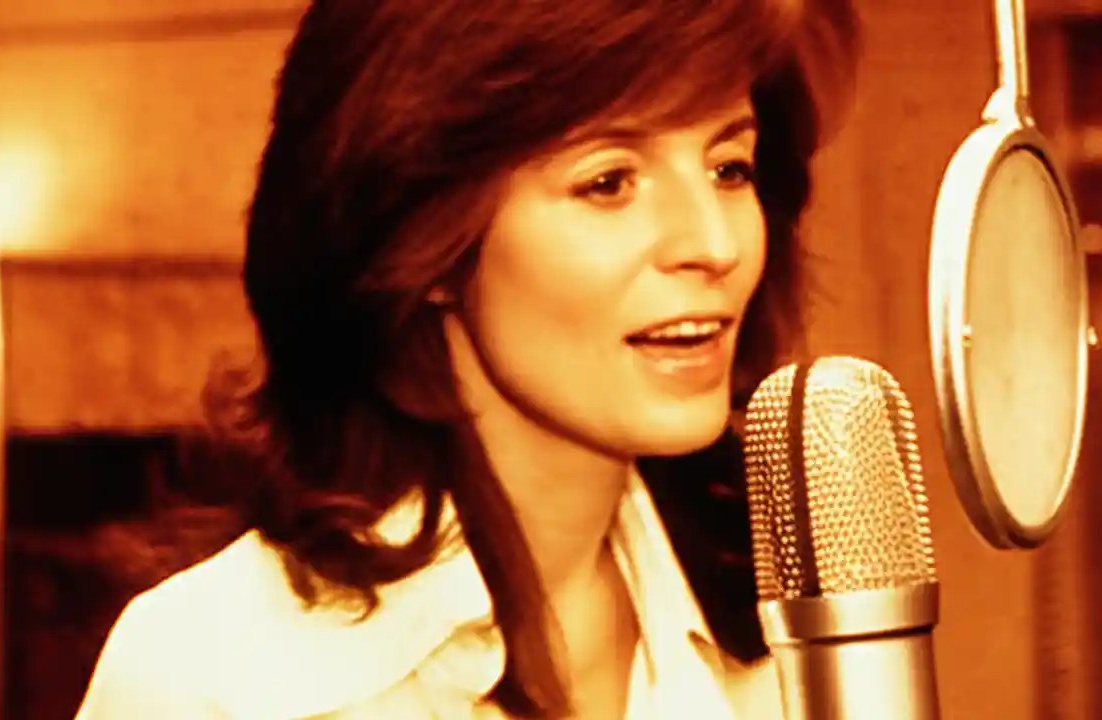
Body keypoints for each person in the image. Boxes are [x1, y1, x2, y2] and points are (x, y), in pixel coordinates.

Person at [75, 0, 858, 717]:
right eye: (609, 182)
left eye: (729, 169)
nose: (714, 244)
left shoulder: (796, 639)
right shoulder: (215, 674)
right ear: (426, 242)